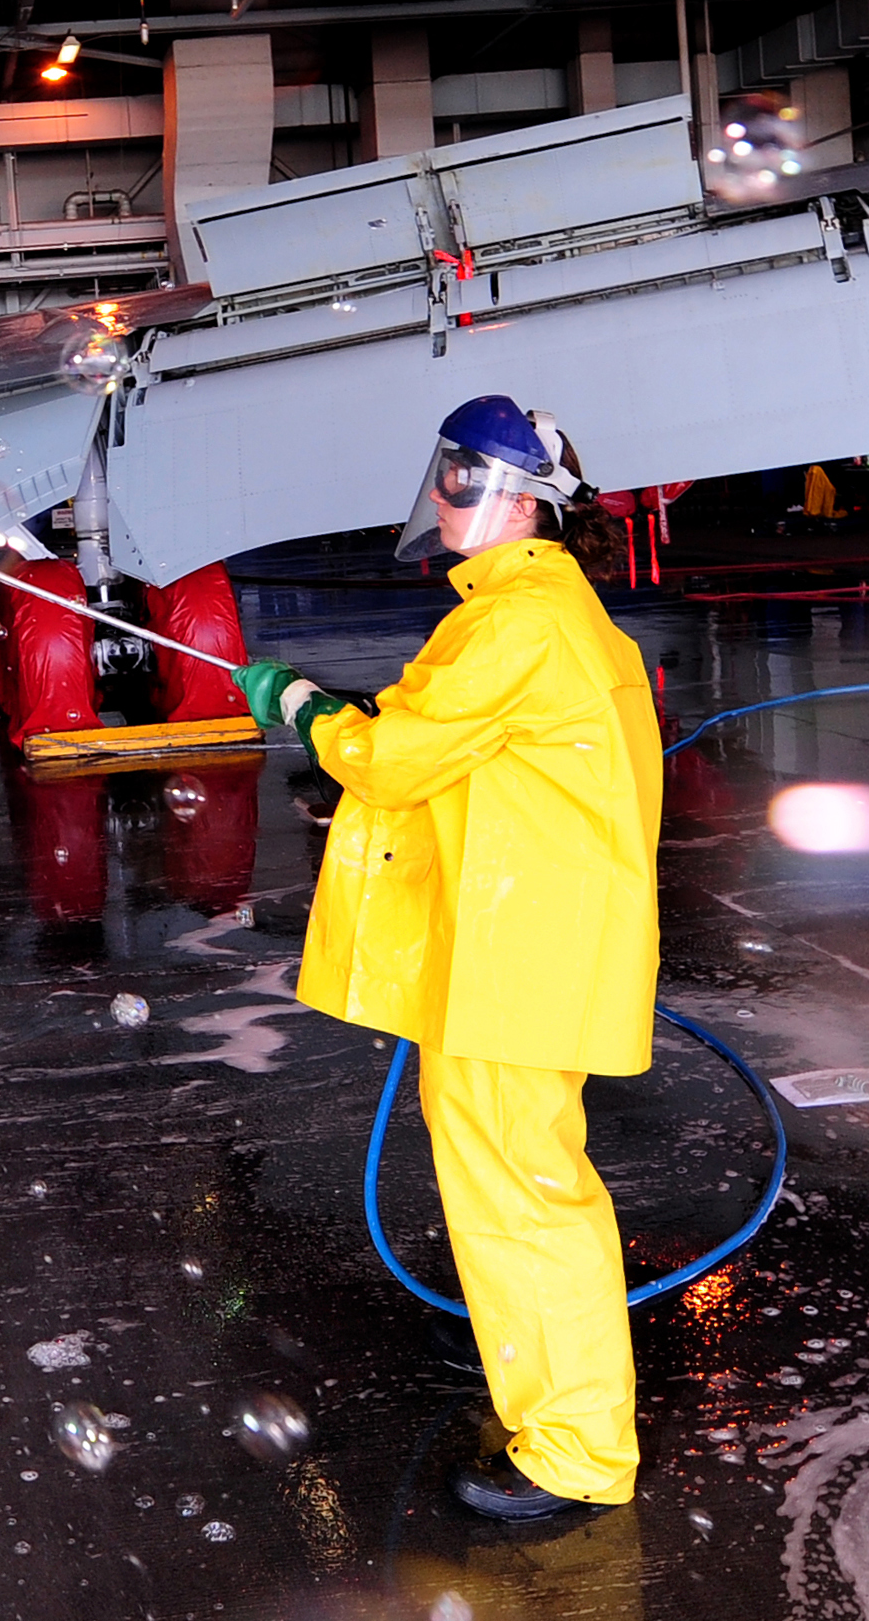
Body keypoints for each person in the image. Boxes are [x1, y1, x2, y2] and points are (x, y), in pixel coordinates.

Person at [232, 396, 660, 1523]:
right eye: (445, 474)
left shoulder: (516, 620)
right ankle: (517, 1326)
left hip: (520, 962)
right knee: (510, 1182)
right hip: (519, 949)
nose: (439, 495)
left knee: (523, 1194)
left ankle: (575, 1449)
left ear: (524, 501)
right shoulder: (537, 612)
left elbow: (388, 761)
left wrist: (304, 706)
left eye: (460, 477)